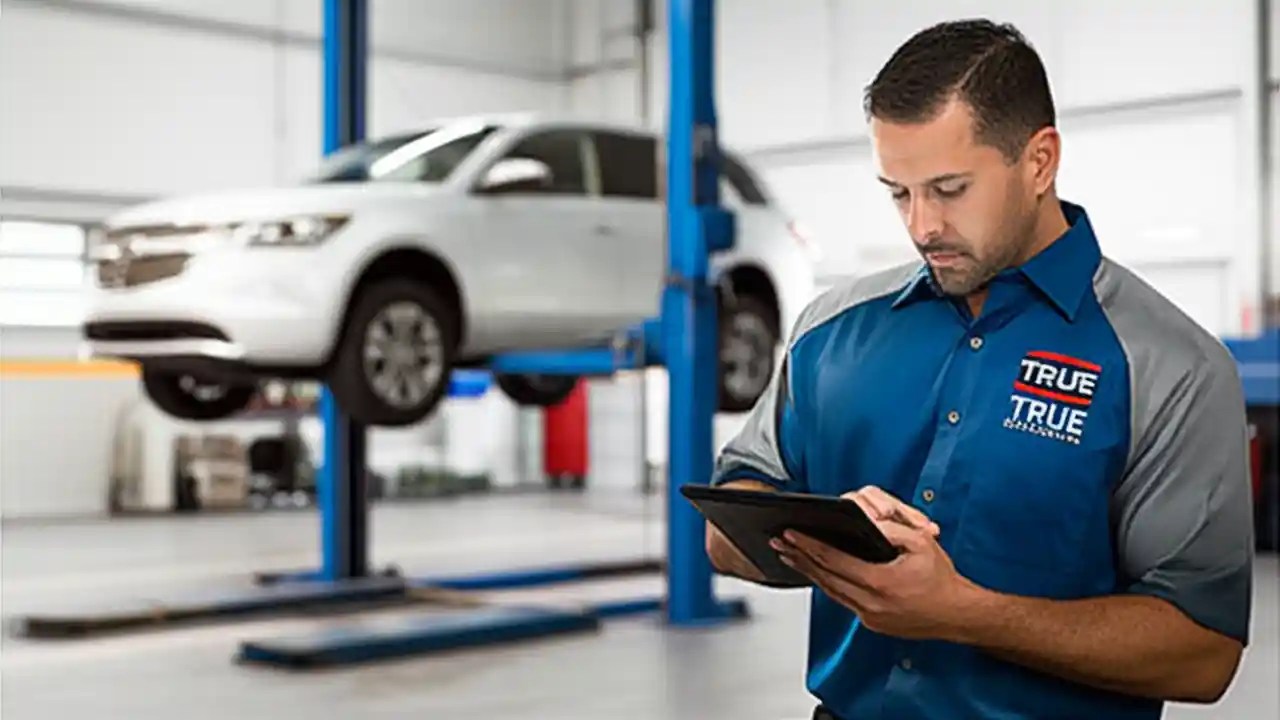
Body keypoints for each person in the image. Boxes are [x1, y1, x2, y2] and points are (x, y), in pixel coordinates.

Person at [707, 19, 1253, 720]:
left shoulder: (1173, 367)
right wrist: (834, 537)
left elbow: (1203, 654)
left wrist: (961, 612)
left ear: (1039, 162)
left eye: (949, 188)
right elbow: (727, 528)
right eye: (899, 192)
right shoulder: (831, 331)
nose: (922, 225)